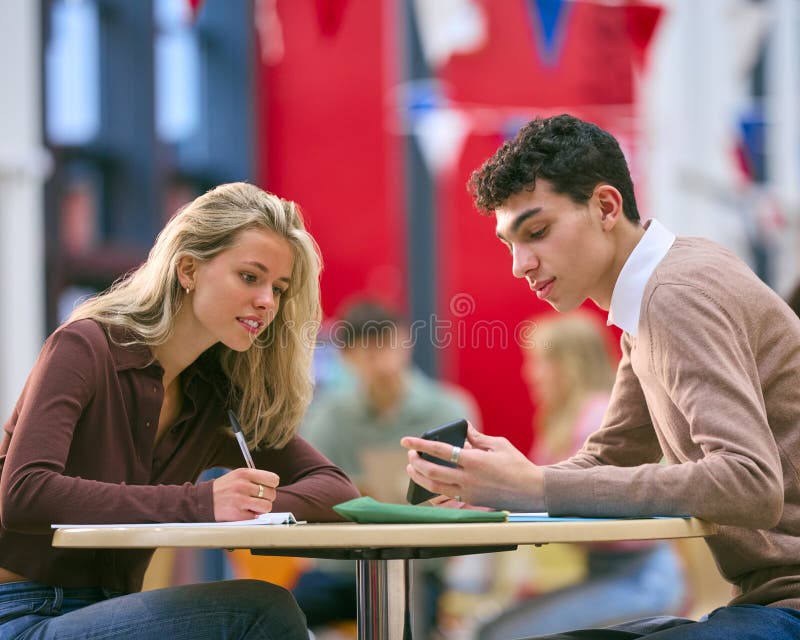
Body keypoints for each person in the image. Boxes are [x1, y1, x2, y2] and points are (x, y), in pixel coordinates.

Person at [402, 114, 800, 639]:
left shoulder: (674, 296)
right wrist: (501, 480)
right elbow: (612, 454)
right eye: (509, 244)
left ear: (606, 207)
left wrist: (539, 487)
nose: (520, 265)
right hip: (764, 599)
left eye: (537, 232)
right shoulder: (655, 293)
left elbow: (750, 483)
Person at [0, 182, 359, 639]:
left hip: (114, 610)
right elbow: (26, 493)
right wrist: (204, 503)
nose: (268, 300)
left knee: (266, 608)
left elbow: (336, 491)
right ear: (188, 269)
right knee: (261, 610)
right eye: (250, 277)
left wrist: (251, 507)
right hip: (20, 612)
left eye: (279, 287)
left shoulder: (215, 397)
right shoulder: (85, 346)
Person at [476, 313, 685, 638]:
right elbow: (534, 494)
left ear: (566, 366)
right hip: (607, 573)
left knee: (496, 633)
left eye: (537, 362)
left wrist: (492, 499)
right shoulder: (564, 422)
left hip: (639, 578)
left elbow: (547, 496)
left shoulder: (596, 420)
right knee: (492, 628)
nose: (529, 374)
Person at [295, 299, 479, 634]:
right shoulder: (329, 415)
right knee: (280, 614)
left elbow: (466, 489)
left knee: (412, 615)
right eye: (368, 352)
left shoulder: (448, 408)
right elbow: (310, 489)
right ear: (347, 358)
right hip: (342, 568)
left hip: (420, 568)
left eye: (388, 346)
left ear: (405, 343)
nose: (381, 361)